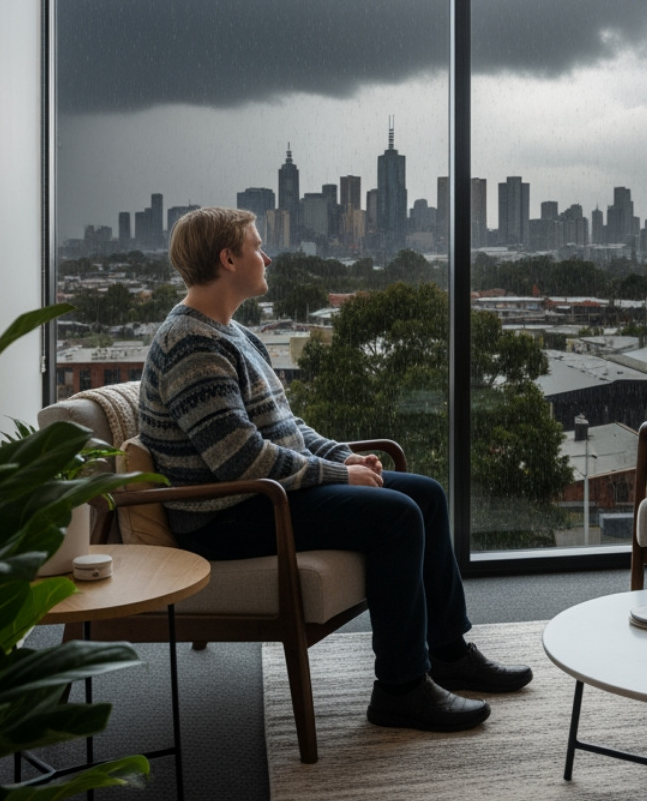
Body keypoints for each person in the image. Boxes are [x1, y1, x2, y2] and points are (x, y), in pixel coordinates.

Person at [139, 207, 531, 733]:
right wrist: (340, 477)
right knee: (396, 516)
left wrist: (341, 456)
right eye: (257, 247)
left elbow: (287, 428)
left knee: (427, 494)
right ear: (228, 259)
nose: (267, 257)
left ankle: (449, 653)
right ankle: (400, 689)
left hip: (263, 495)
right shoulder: (191, 346)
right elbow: (241, 459)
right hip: (225, 515)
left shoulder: (233, 334)